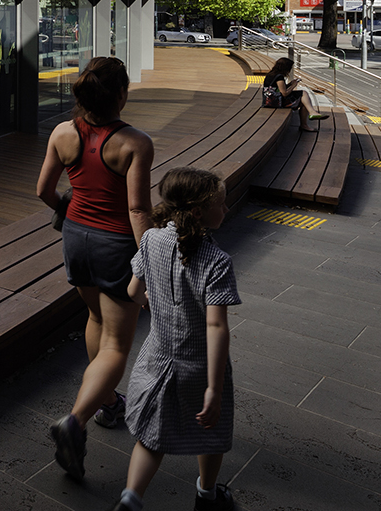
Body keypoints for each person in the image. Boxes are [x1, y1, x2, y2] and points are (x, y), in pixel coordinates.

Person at [38, 55, 155, 482]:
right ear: (121, 94)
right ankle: (76, 420)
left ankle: (107, 403)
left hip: (76, 240)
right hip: (115, 245)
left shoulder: (62, 132)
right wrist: (149, 260)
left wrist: (69, 212)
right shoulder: (134, 143)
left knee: (94, 318)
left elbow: (44, 191)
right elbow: (138, 209)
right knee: (116, 346)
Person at [107, 168, 240, 511]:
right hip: (198, 367)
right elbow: (215, 327)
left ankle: (131, 497)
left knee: (153, 435)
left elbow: (134, 292)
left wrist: (156, 295)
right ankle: (207, 497)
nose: (226, 209)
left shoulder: (151, 239)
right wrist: (214, 387)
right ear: (198, 212)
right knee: (211, 433)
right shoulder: (216, 262)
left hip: (158, 357)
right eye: (221, 205)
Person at [260, 56, 327, 132]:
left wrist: (289, 84)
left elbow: (277, 88)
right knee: (304, 94)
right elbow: (284, 93)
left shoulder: (271, 74)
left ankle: (307, 120)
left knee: (304, 101)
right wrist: (293, 86)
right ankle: (310, 116)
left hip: (271, 100)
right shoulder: (279, 77)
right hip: (276, 102)